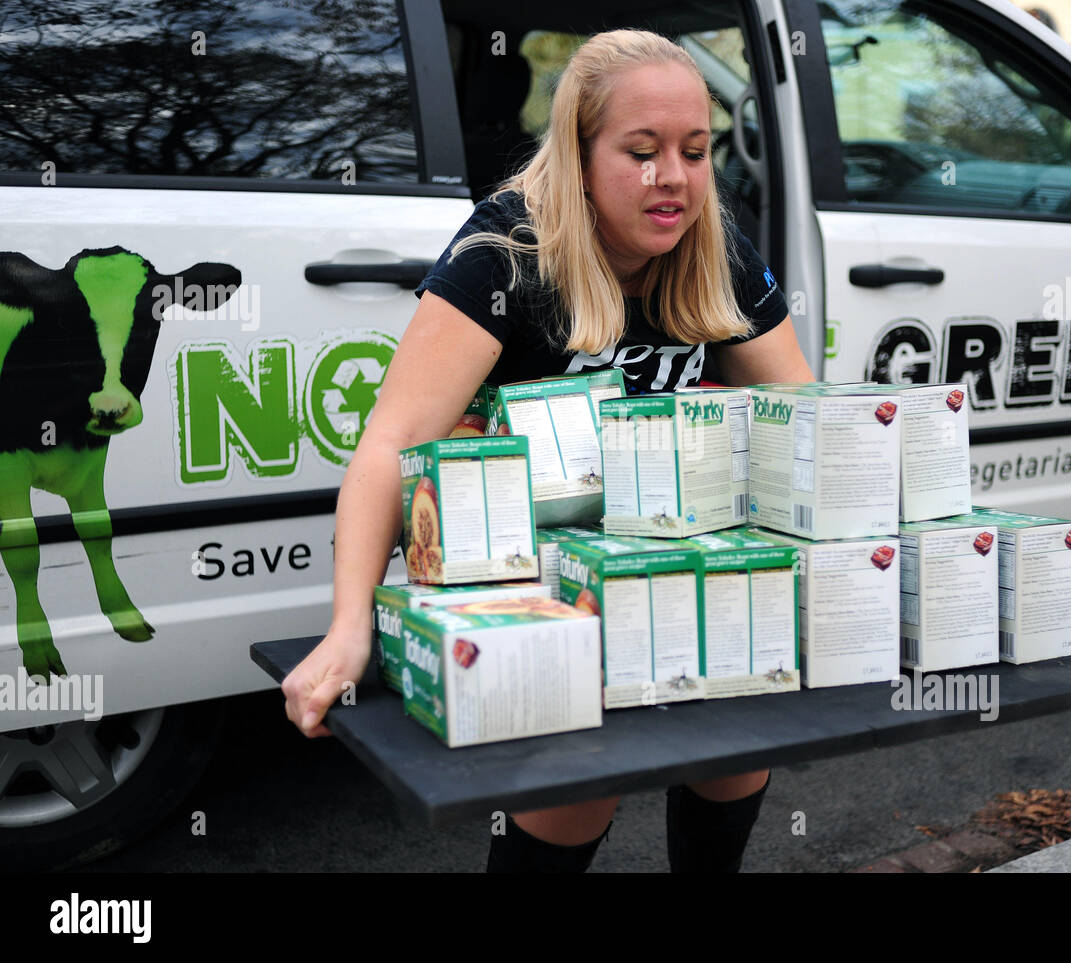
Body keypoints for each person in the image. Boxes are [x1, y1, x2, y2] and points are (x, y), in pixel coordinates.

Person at [281, 28, 815, 872]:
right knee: (575, 785)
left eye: (694, 149)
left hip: (662, 561)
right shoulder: (506, 250)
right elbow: (391, 443)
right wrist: (349, 626)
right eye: (641, 151)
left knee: (736, 747)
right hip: (528, 582)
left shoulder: (713, 247)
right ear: (578, 152)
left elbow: (807, 420)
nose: (671, 176)